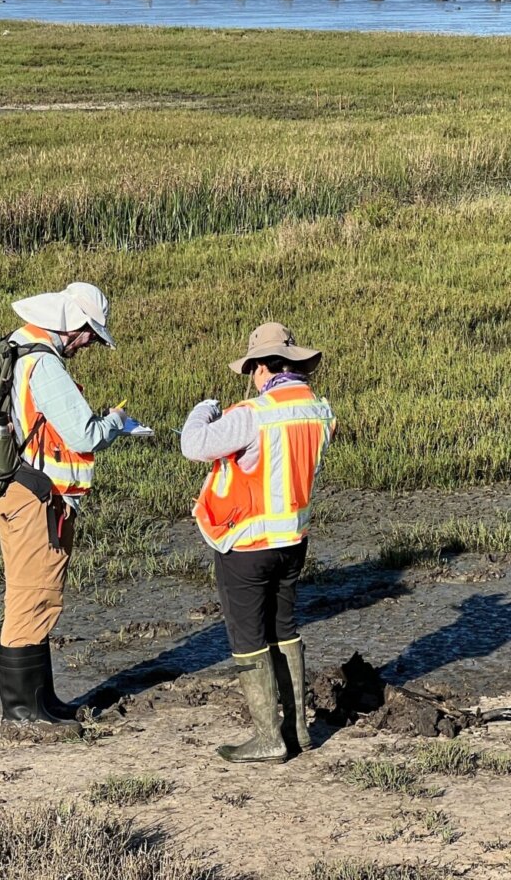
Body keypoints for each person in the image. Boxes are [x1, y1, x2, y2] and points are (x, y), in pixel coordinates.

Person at [0, 282, 149, 740]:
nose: (89, 345)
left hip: (23, 491)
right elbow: (84, 436)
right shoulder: (44, 364)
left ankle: (42, 700)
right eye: (91, 336)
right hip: (35, 498)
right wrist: (117, 423)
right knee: (32, 594)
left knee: (34, 592)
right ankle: (21, 713)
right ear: (74, 326)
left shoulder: (20, 348)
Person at [181, 323, 336, 762]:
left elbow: (194, 445)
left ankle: (269, 739)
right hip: (293, 541)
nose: (251, 377)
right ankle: (298, 730)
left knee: (248, 637)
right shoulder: (319, 411)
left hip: (247, 544)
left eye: (251, 368)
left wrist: (203, 409)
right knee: (283, 630)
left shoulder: (254, 412)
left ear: (264, 367)